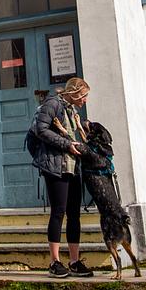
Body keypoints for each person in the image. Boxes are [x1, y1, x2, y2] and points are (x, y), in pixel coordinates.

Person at [30, 76, 94, 278]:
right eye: (83, 96)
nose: (85, 100)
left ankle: (74, 261)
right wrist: (67, 145)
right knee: (58, 212)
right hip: (55, 166)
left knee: (74, 214)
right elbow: (41, 130)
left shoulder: (72, 111)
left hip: (73, 167)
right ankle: (55, 262)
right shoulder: (53, 104)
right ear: (74, 93)